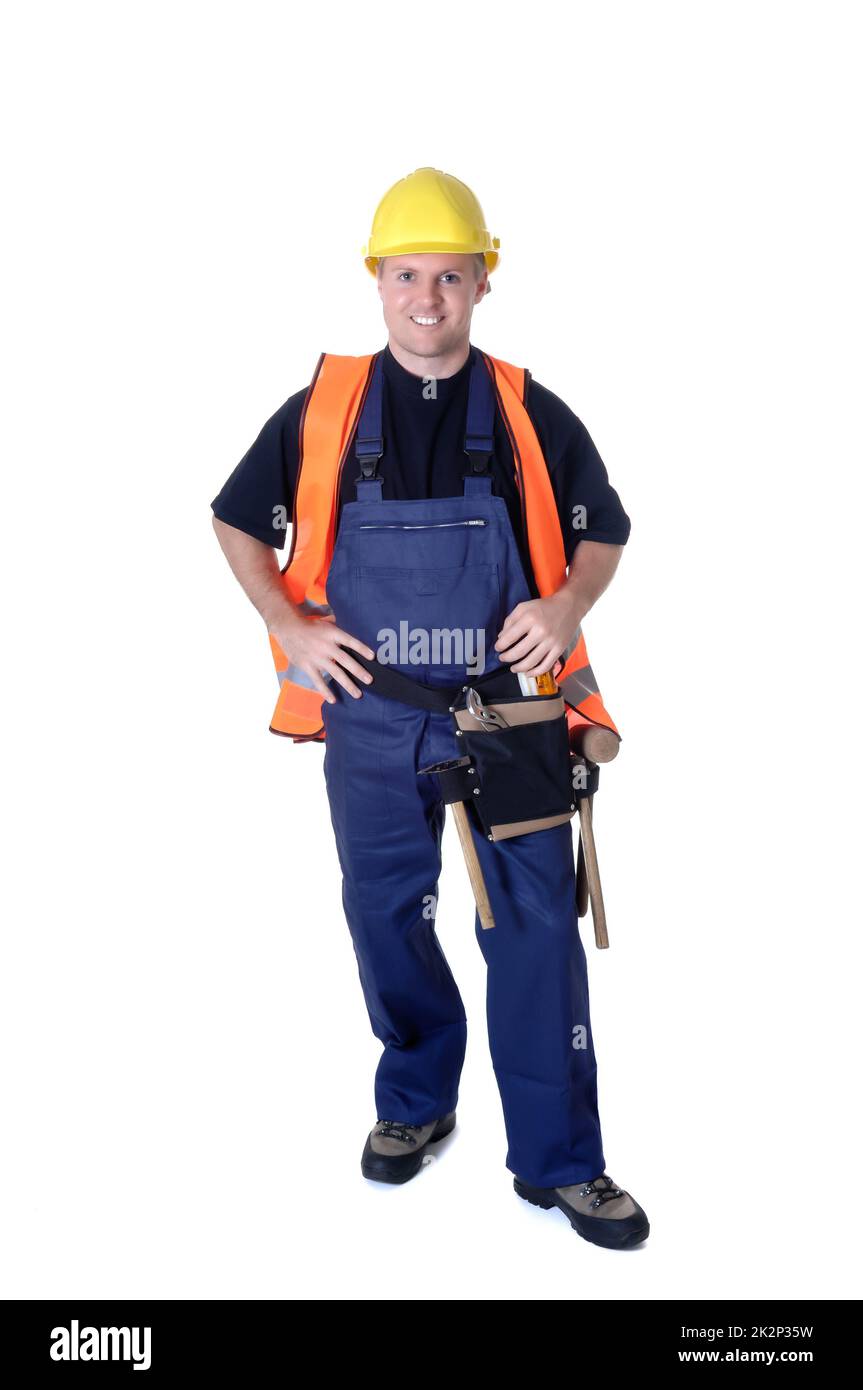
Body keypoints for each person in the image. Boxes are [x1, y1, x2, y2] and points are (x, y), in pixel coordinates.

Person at [211, 167, 649, 1248]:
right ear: (375, 280)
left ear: (481, 282)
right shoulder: (320, 411)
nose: (425, 298)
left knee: (538, 933)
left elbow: (604, 530)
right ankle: (416, 1099)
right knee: (383, 915)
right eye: (406, 275)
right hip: (370, 716)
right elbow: (233, 522)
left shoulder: (525, 410)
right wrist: (290, 628)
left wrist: (564, 600)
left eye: (448, 276)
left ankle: (560, 1164)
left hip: (508, 718)